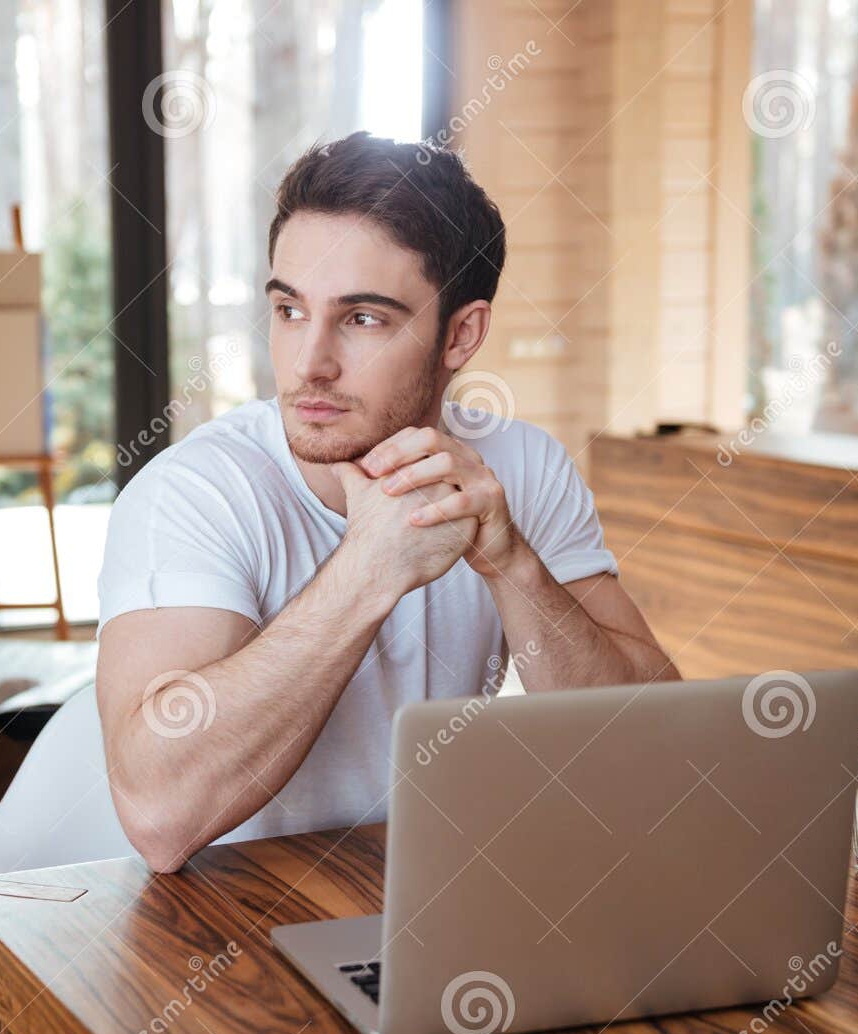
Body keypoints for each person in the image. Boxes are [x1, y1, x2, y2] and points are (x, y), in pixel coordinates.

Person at [92, 132, 679, 874]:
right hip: (203, 920)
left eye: (362, 318)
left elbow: (652, 750)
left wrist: (513, 568)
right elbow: (159, 818)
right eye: (289, 310)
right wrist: (370, 566)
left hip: (408, 893)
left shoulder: (521, 469)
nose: (309, 363)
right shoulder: (195, 494)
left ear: (460, 334)